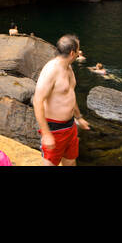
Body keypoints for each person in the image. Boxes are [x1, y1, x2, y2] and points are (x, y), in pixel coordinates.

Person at [32, 34, 91, 166]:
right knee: (50, 163)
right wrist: (46, 134)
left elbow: (70, 95)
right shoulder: (51, 70)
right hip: (55, 129)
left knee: (70, 162)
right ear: (72, 52)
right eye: (78, 50)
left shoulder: (69, 68)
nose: (79, 53)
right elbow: (37, 101)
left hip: (70, 126)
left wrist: (79, 117)